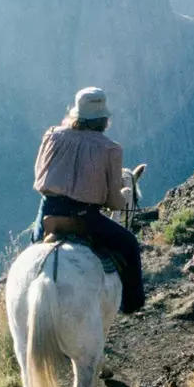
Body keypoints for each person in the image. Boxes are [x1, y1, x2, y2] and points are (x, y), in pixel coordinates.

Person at [31, 87, 144, 313]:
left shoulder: (52, 135)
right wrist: (121, 200)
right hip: (84, 218)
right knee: (130, 244)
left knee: (34, 254)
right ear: (104, 119)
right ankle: (131, 304)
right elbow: (113, 200)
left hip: (48, 213)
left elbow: (39, 173)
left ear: (76, 114)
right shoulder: (110, 149)